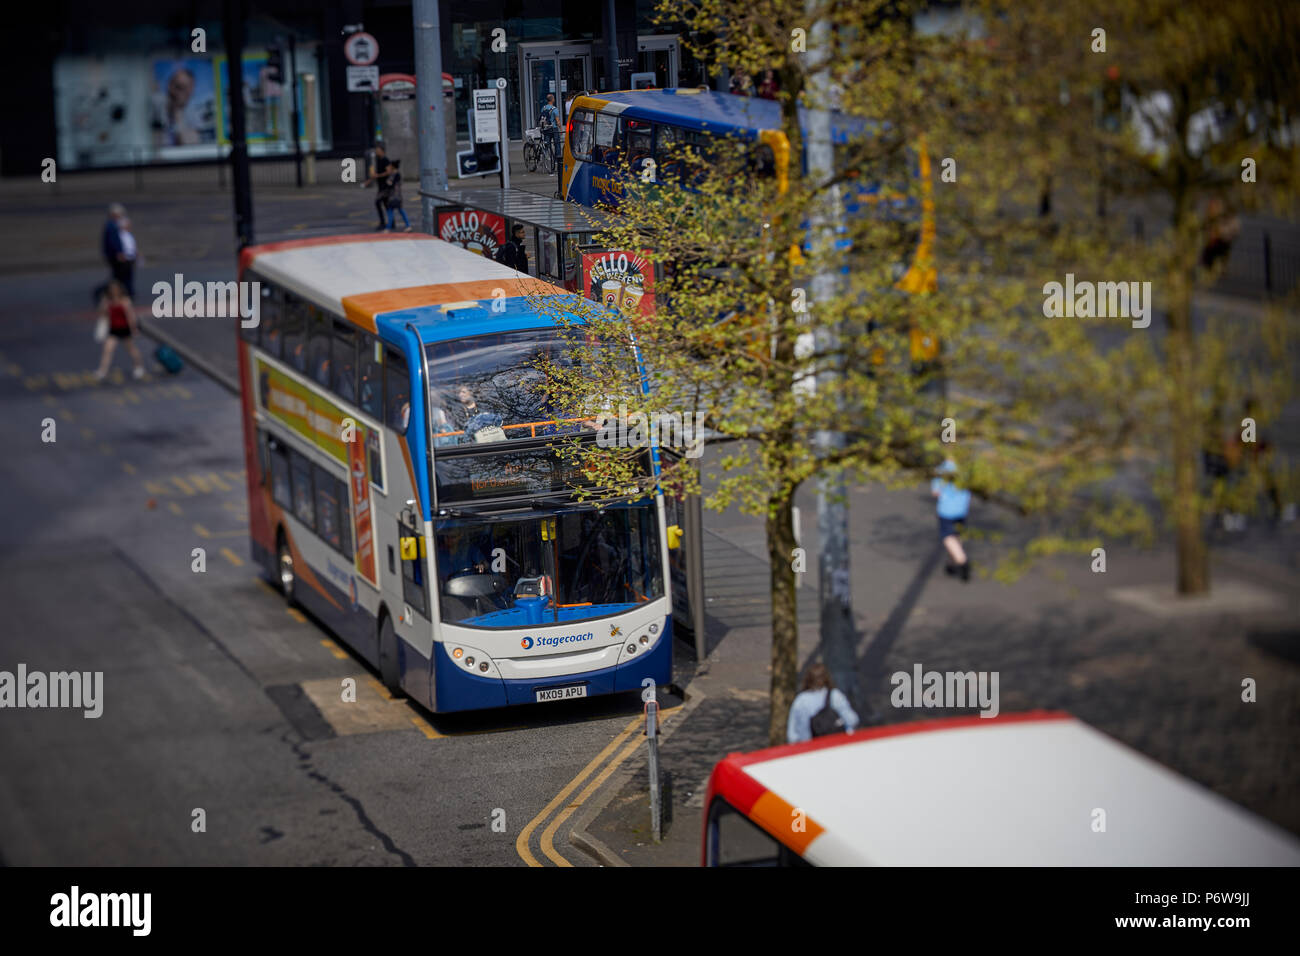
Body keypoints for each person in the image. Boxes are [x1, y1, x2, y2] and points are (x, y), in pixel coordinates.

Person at [787, 663, 859, 744]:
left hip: (811, 750)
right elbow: (852, 720)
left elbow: (792, 735)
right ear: (827, 678)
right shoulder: (835, 696)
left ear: (807, 679)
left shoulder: (800, 701)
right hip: (836, 745)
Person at [94, 280, 145, 382]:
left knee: (131, 350)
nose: (114, 291)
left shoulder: (125, 301)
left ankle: (139, 367)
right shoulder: (107, 301)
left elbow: (130, 316)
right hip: (113, 329)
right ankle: (102, 371)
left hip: (124, 328)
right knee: (107, 350)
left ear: (120, 290)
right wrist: (103, 305)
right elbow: (102, 314)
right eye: (112, 290)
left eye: (115, 289)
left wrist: (133, 329)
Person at [931, 458, 972, 581]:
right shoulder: (965, 467)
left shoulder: (940, 469)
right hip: (962, 508)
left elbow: (935, 492)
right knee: (957, 536)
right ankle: (952, 564)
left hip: (947, 510)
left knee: (948, 537)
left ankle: (962, 561)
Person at [101, 203, 138, 298]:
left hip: (122, 256)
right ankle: (120, 293)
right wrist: (119, 253)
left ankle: (122, 292)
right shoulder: (112, 226)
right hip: (118, 257)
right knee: (121, 276)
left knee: (121, 276)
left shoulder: (114, 226)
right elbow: (114, 242)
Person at [363, 144, 393, 231]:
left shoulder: (385, 160)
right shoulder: (379, 160)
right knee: (386, 204)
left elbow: (389, 172)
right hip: (381, 186)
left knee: (378, 202)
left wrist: (378, 175)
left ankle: (383, 222)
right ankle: (392, 222)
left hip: (385, 187)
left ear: (382, 151)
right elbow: (376, 174)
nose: (376, 151)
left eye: (377, 150)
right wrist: (368, 181)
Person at [384, 159, 412, 232]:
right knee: (397, 211)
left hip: (394, 196)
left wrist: (388, 183)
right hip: (395, 196)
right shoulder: (395, 174)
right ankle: (407, 225)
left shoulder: (395, 175)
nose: (389, 167)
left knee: (392, 211)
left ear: (393, 167)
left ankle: (388, 228)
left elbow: (391, 184)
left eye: (390, 166)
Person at [539, 93, 561, 167]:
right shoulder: (555, 109)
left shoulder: (543, 108)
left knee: (546, 144)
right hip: (553, 128)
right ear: (552, 100)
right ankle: (558, 160)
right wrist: (560, 129)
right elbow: (557, 121)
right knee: (557, 144)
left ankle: (545, 159)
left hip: (546, 128)